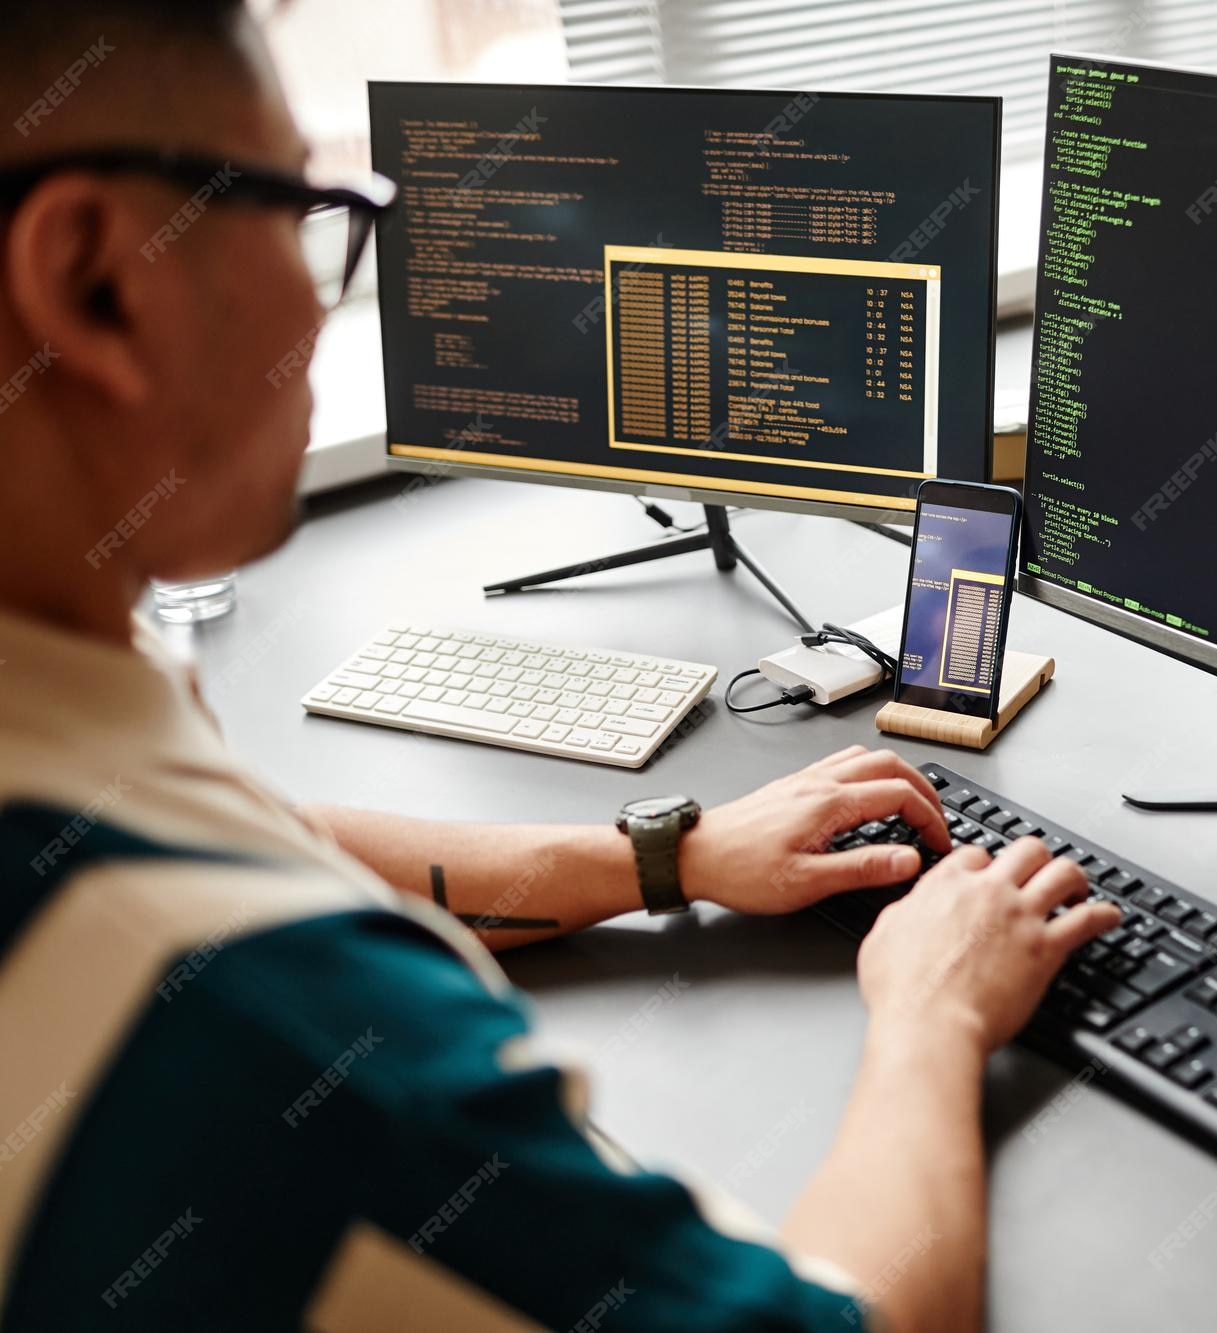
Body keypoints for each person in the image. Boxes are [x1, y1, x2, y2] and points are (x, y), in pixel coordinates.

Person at [0, 3, 1121, 1328]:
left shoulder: (61, 705)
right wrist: (930, 1013)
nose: (323, 292)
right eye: (310, 211)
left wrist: (669, 855)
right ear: (92, 280)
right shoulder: (284, 1040)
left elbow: (265, 833)